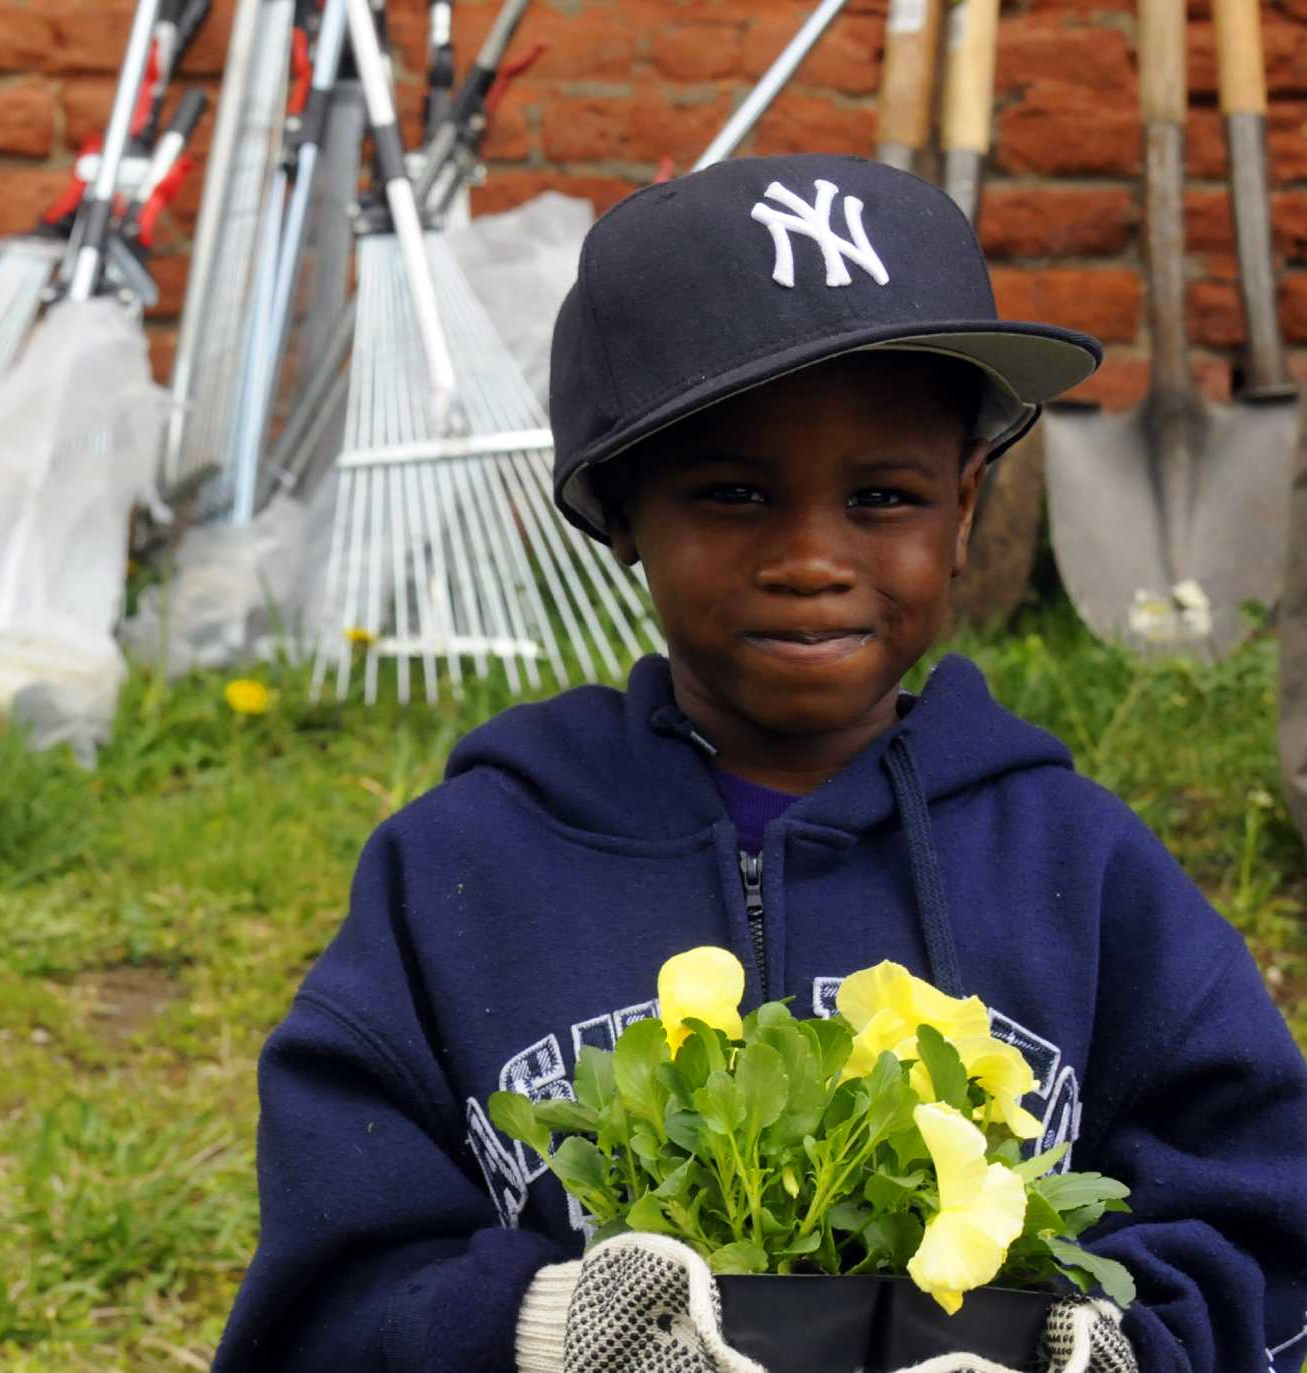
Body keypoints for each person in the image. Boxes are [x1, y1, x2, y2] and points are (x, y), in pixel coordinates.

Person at [211, 155, 1307, 1373]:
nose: (809, 557)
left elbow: (1261, 1209)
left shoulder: (1080, 866)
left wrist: (1112, 1346)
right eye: (731, 492)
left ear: (964, 500)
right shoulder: (456, 873)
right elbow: (329, 1290)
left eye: (879, 496)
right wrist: (538, 1328)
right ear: (616, 511)